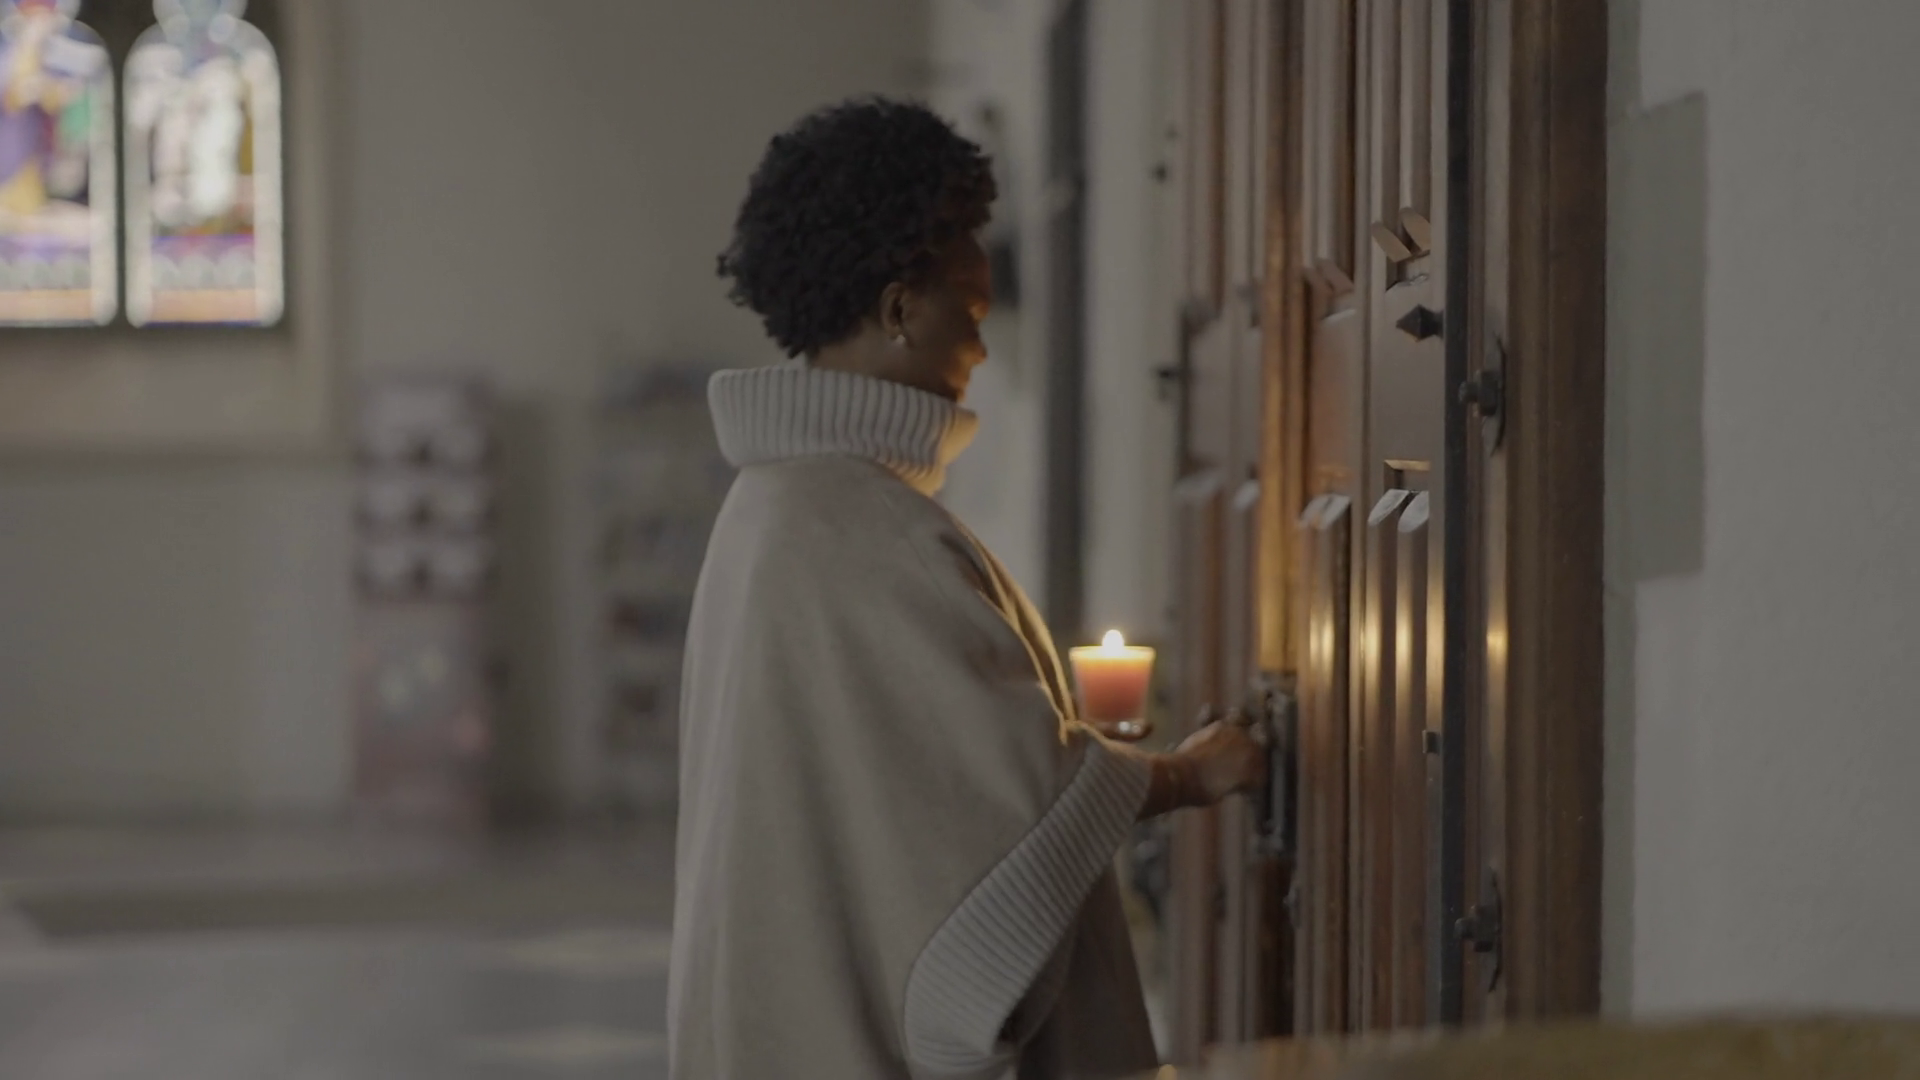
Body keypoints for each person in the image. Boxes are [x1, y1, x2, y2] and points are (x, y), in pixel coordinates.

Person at [669, 97, 1268, 1080]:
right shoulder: (858, 528)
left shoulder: (778, 509)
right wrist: (1190, 774)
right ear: (902, 308)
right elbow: (1007, 819)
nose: (984, 349)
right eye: (972, 311)